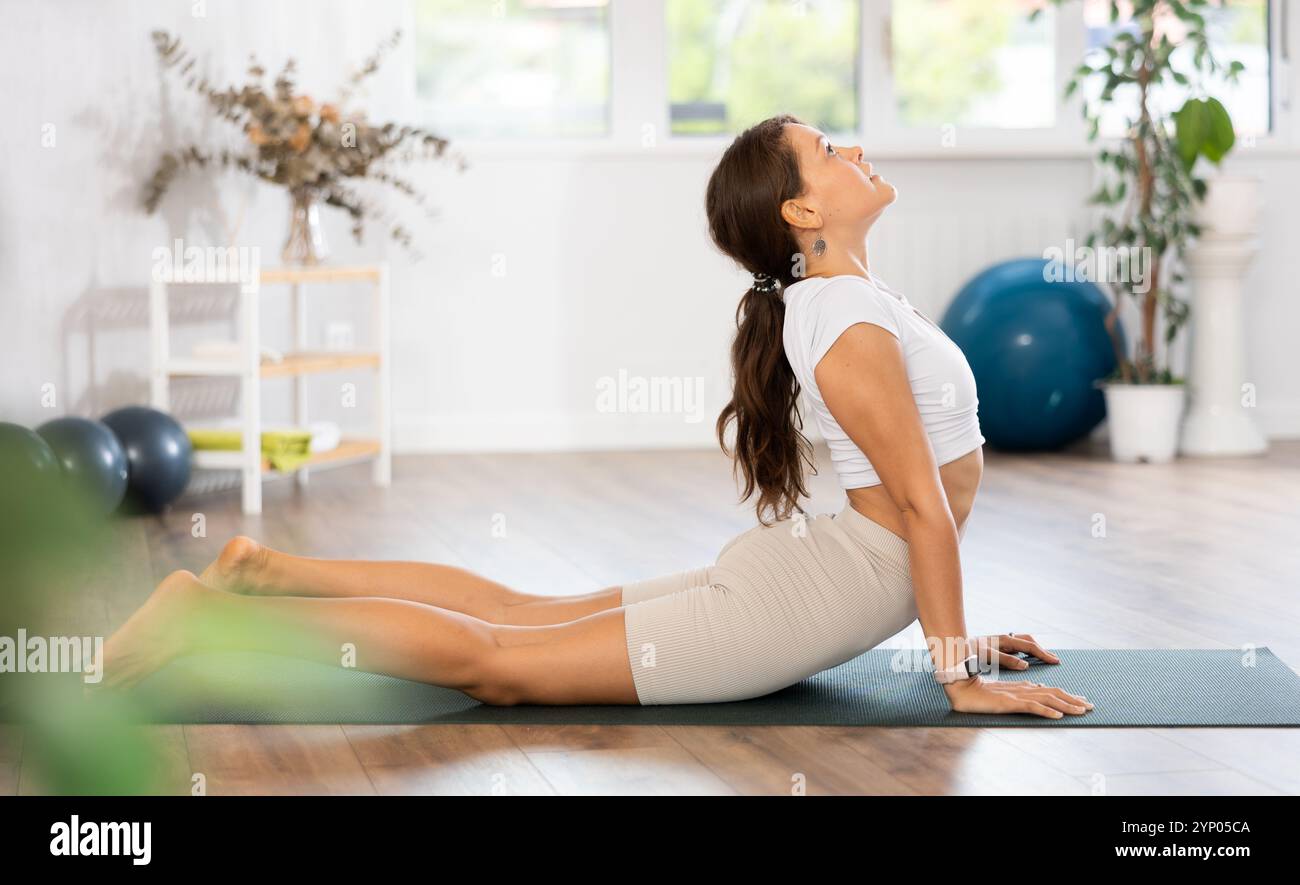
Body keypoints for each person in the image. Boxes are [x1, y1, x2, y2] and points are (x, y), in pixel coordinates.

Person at [100, 113, 1092, 720]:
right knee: (501, 666)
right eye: (828, 150)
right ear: (800, 212)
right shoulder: (843, 317)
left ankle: (269, 575)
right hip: (814, 593)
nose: (855, 151)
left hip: (828, 572)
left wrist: (953, 624)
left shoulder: (847, 303)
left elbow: (919, 513)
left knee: (520, 617)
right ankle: (212, 618)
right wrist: (956, 669)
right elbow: (921, 506)